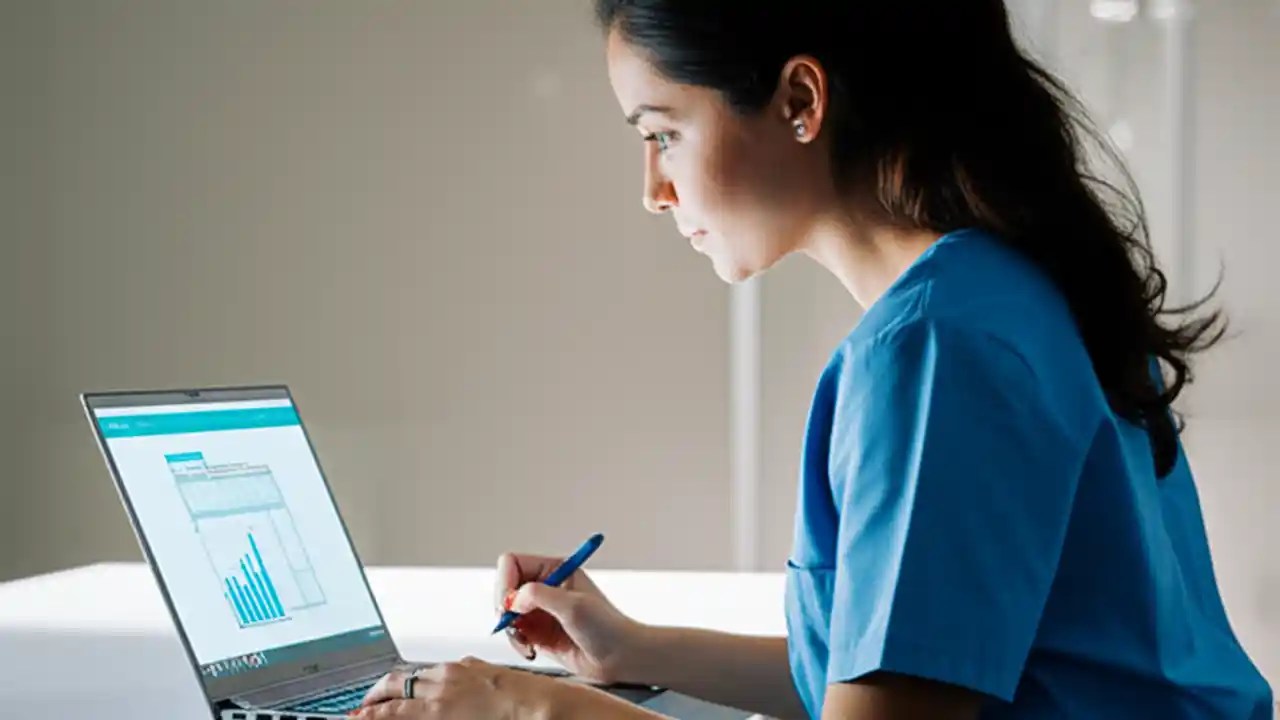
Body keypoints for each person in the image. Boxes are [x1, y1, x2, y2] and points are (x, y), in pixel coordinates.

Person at [355, 1, 1275, 718]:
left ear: (800, 100)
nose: (653, 190)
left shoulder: (937, 349)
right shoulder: (1012, 287)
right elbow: (888, 677)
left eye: (661, 132)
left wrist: (525, 708)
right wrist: (632, 651)